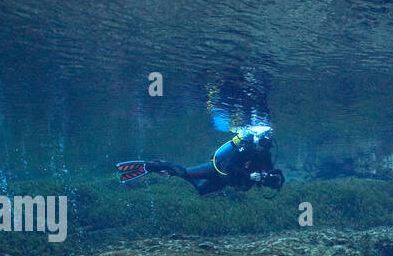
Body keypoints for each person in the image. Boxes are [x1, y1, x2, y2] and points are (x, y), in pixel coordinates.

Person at [117, 70, 285, 194]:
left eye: (267, 142)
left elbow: (268, 170)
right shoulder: (246, 146)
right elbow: (230, 167)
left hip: (227, 179)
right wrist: (250, 177)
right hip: (218, 168)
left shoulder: (265, 153)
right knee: (185, 172)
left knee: (201, 190)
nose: (265, 145)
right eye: (263, 141)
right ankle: (153, 166)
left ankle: (166, 168)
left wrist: (271, 179)